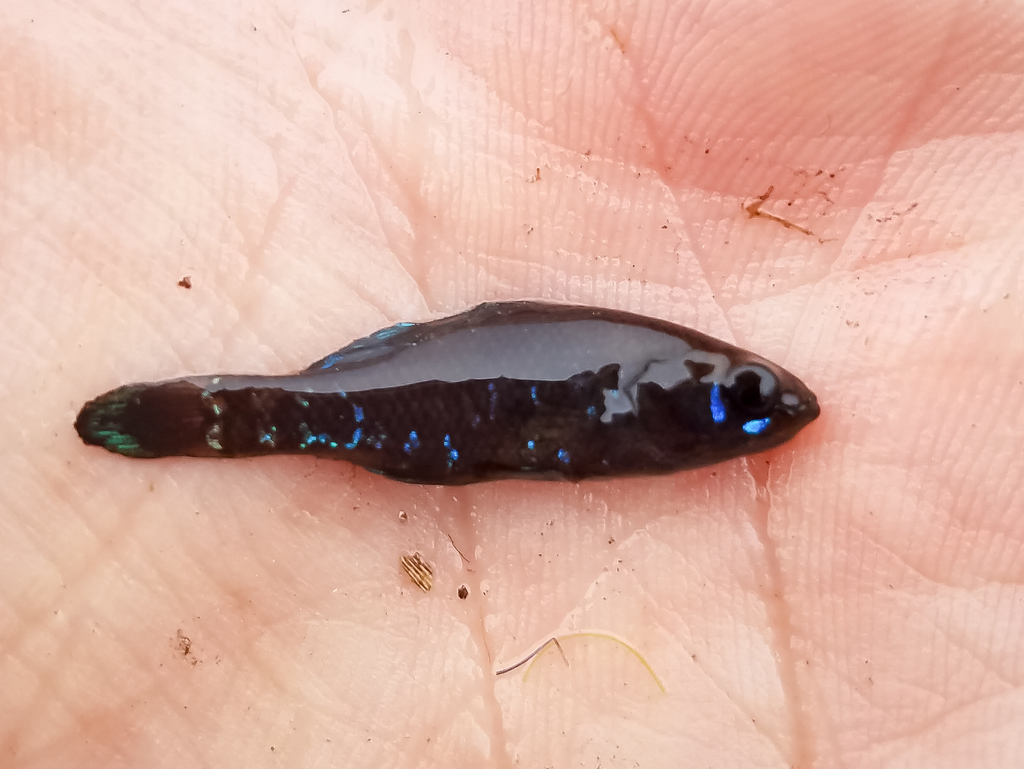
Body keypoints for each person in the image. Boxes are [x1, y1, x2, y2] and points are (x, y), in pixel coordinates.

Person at [2, 0, 1022, 766]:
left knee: (326, 415)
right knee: (317, 413)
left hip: (436, 422)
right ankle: (220, 419)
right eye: (747, 396)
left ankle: (232, 420)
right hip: (424, 414)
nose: (776, 410)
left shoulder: (660, 399)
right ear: (670, 392)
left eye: (750, 399)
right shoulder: (656, 394)